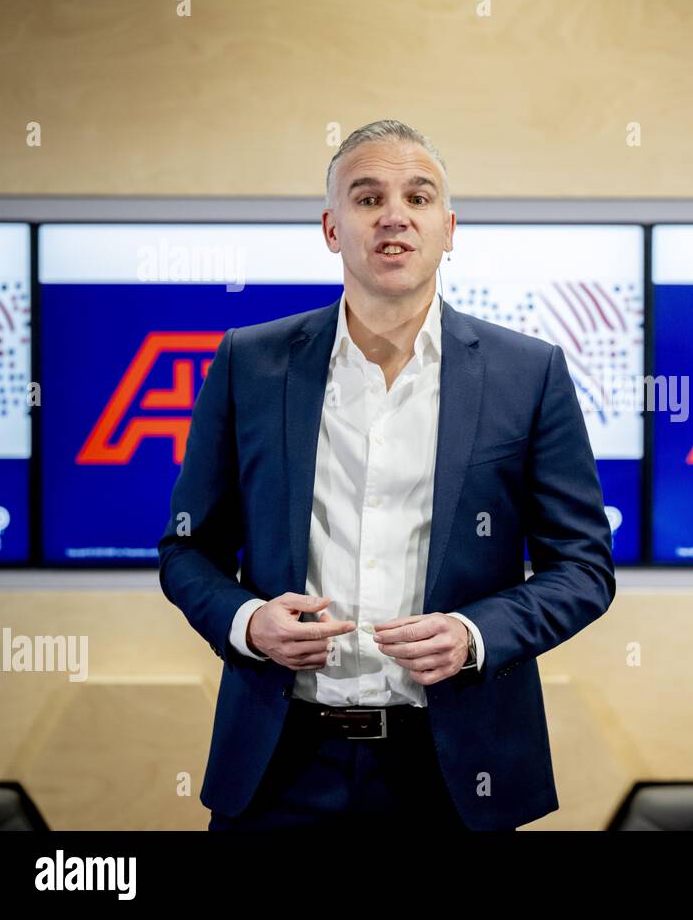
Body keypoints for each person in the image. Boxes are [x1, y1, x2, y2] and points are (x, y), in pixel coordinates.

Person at [158, 120, 616, 831]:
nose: (394, 215)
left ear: (448, 229)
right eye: (368, 198)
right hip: (279, 768)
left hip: (454, 772)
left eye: (418, 197)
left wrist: (474, 633)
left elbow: (584, 567)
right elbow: (188, 549)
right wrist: (249, 623)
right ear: (331, 229)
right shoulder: (249, 363)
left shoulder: (528, 373)